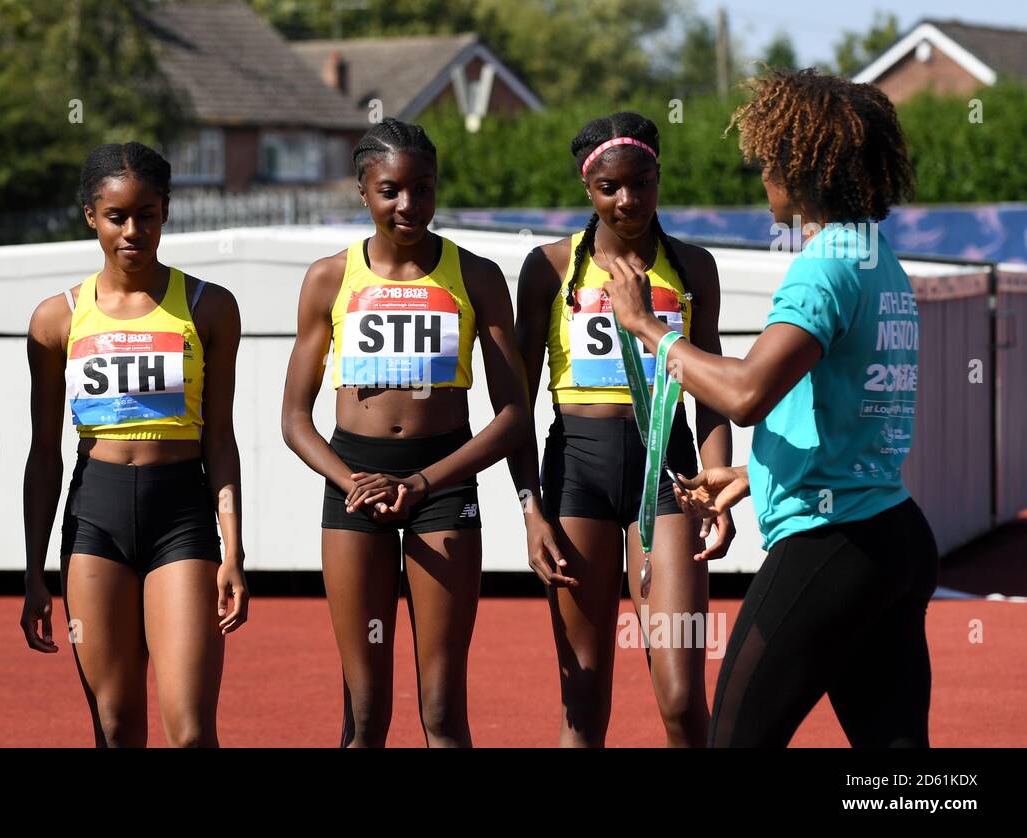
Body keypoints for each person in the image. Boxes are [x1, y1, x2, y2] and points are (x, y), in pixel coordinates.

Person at [602, 69, 935, 747]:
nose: (762, 179)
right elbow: (850, 405)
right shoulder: (877, 259)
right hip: (892, 536)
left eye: (768, 163)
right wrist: (758, 475)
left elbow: (747, 394)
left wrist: (647, 327)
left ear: (801, 166)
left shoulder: (822, 268)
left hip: (831, 545)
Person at [281, 118, 529, 747]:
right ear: (363, 192)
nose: (408, 204)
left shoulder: (475, 277)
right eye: (391, 189)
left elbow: (511, 415)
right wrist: (351, 482)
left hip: (442, 485)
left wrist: (424, 482)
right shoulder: (328, 278)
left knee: (442, 712)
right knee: (365, 715)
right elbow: (294, 419)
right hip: (354, 484)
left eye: (423, 187)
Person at [506, 112, 734, 747]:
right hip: (576, 474)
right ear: (588, 188)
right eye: (610, 187)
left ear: (659, 178)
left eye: (641, 182)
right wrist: (530, 509)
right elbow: (517, 407)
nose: (627, 199)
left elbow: (712, 393)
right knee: (583, 693)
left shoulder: (692, 268)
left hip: (670, 473)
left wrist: (715, 488)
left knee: (682, 695)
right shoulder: (548, 268)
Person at [21, 142, 247, 748]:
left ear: (166, 212)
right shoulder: (55, 320)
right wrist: (33, 570)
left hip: (182, 514)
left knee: (190, 729)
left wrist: (234, 549)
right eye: (116, 216)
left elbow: (220, 438)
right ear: (91, 217)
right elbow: (45, 455)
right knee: (115, 725)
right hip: (95, 514)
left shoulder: (210, 307)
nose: (132, 230)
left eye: (146, 214)